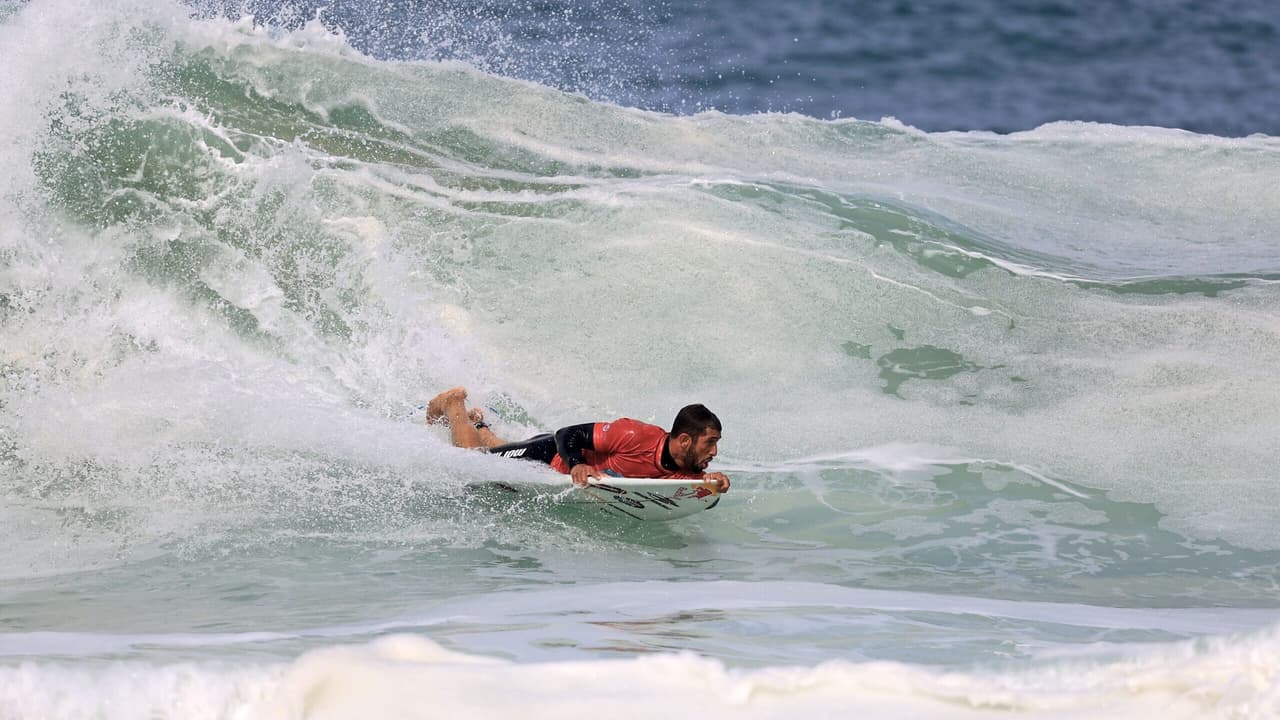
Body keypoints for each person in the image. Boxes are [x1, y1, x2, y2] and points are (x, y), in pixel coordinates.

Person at [426, 387, 730, 493]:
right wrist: (577, 464)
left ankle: (479, 422)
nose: (715, 452)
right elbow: (567, 435)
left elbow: (691, 496)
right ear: (686, 441)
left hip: (551, 460)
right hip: (548, 455)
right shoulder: (635, 435)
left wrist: (710, 486)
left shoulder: (688, 468)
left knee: (498, 449)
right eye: (710, 443)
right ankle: (453, 403)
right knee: (473, 459)